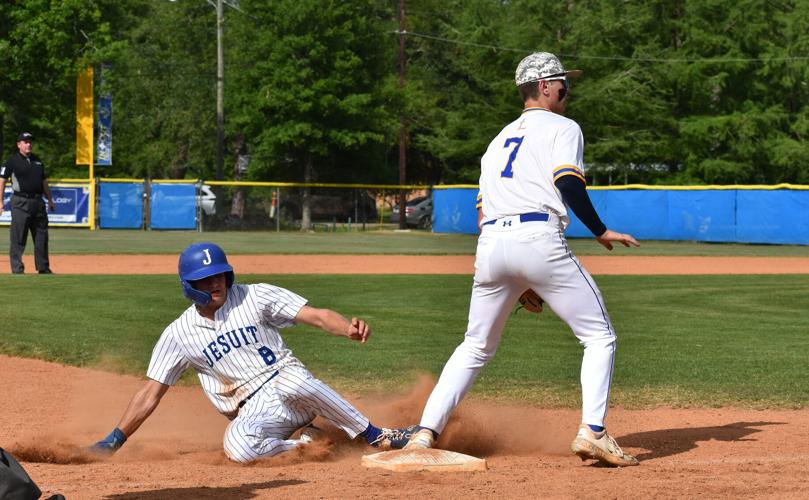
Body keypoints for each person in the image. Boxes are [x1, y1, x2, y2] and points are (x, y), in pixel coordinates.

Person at [404, 52, 641, 467]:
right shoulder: (564, 127)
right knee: (598, 336)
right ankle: (594, 431)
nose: (568, 89)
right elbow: (568, 182)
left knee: (475, 346)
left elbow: (482, 214)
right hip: (537, 236)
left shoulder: (497, 141)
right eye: (563, 82)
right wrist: (599, 229)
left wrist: (516, 275)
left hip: (491, 244)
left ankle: (424, 433)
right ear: (545, 86)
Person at [92, 242, 413, 462]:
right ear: (189, 285)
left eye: (219, 275)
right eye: (205, 279)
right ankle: (309, 444)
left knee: (293, 381)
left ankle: (376, 435)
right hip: (255, 414)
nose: (216, 283)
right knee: (237, 446)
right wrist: (115, 439)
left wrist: (347, 329)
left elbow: (315, 315)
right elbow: (150, 394)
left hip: (289, 388)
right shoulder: (178, 334)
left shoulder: (254, 296)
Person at [0, 132, 55, 274]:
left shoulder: (37, 161)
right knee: (18, 237)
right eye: (25, 142)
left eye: (30, 142)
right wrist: (0, 201)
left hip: (38, 202)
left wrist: (50, 199)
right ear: (19, 145)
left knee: (42, 236)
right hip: (20, 202)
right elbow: (2, 181)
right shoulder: (11, 161)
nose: (29, 144)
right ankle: (17, 268)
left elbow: (44, 181)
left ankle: (43, 267)